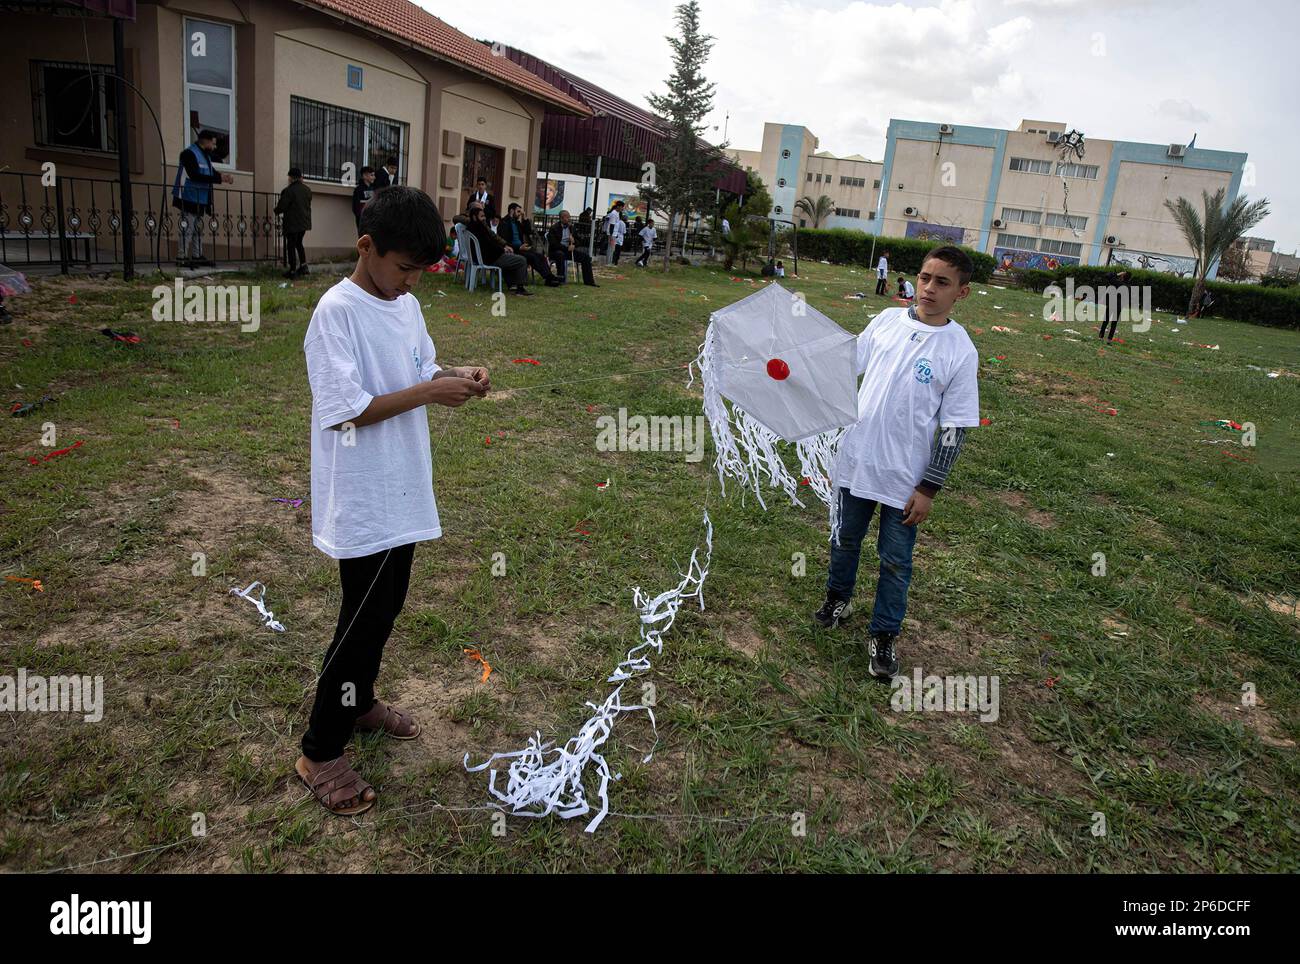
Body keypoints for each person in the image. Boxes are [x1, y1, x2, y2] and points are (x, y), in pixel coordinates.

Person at [299, 185, 490, 815]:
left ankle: (358, 703)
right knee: (359, 620)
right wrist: (428, 395)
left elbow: (421, 365)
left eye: (419, 272)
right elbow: (345, 411)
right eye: (403, 267)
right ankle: (319, 750)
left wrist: (453, 377)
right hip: (361, 495)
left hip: (401, 488)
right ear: (366, 246)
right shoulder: (337, 311)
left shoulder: (403, 306)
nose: (410, 282)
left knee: (383, 611)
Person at [814, 245, 980, 681]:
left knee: (895, 560)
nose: (928, 289)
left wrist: (928, 489)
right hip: (857, 462)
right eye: (925, 278)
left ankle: (884, 635)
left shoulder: (960, 350)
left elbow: (954, 428)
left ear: (962, 292)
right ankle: (838, 597)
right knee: (844, 539)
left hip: (905, 482)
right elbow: (844, 367)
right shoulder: (886, 321)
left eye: (942, 282)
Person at [171, 129, 232, 267]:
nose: (215, 147)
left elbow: (210, 172)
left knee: (198, 228)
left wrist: (222, 177)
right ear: (207, 141)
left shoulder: (205, 156)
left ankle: (197, 255)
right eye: (214, 143)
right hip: (188, 196)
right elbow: (194, 175)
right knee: (187, 228)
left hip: (200, 198)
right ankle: (182, 257)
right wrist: (218, 179)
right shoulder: (189, 153)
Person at [464, 202, 530, 295]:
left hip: (486, 256)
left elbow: (494, 239)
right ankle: (520, 288)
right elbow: (489, 245)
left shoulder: (475, 227)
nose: (484, 218)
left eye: (484, 216)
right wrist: (503, 250)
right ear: (474, 217)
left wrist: (504, 246)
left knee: (511, 257)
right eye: (482, 216)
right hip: (490, 258)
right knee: (522, 260)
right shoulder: (479, 229)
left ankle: (512, 284)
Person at [497, 203, 561, 287]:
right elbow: (504, 240)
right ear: (512, 211)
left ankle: (549, 277)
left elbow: (527, 231)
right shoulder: (504, 222)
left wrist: (525, 218)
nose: (520, 214)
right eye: (518, 211)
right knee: (533, 257)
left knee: (540, 256)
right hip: (513, 249)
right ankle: (549, 278)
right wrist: (519, 247)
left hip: (522, 248)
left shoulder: (516, 222)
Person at [275, 167, 313, 278]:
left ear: (291, 177)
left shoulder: (289, 190)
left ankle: (292, 270)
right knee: (299, 243)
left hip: (292, 223)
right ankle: (303, 266)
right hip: (304, 223)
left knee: (291, 245)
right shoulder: (307, 190)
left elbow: (282, 206)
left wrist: (276, 210)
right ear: (300, 177)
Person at [547, 209, 598, 286]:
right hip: (556, 251)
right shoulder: (554, 228)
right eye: (566, 217)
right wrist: (566, 248)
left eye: (569, 217)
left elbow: (579, 240)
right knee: (561, 255)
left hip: (569, 250)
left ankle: (589, 281)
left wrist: (574, 243)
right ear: (561, 218)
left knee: (586, 257)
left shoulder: (571, 227)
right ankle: (561, 279)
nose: (568, 219)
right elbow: (554, 244)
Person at [1096, 269, 1132, 341]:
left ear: (1123, 276)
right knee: (1114, 323)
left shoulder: (1117, 283)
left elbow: (1108, 276)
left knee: (1106, 321)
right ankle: (1109, 339)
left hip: (1112, 304)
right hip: (1119, 306)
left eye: (1122, 275)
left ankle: (1101, 336)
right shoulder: (1128, 286)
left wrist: (1118, 274)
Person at [352, 166, 376, 235]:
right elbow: (355, 207)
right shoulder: (358, 190)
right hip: (362, 220)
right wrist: (360, 217)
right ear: (364, 176)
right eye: (372, 175)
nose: (374, 177)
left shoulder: (372, 189)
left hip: (371, 219)